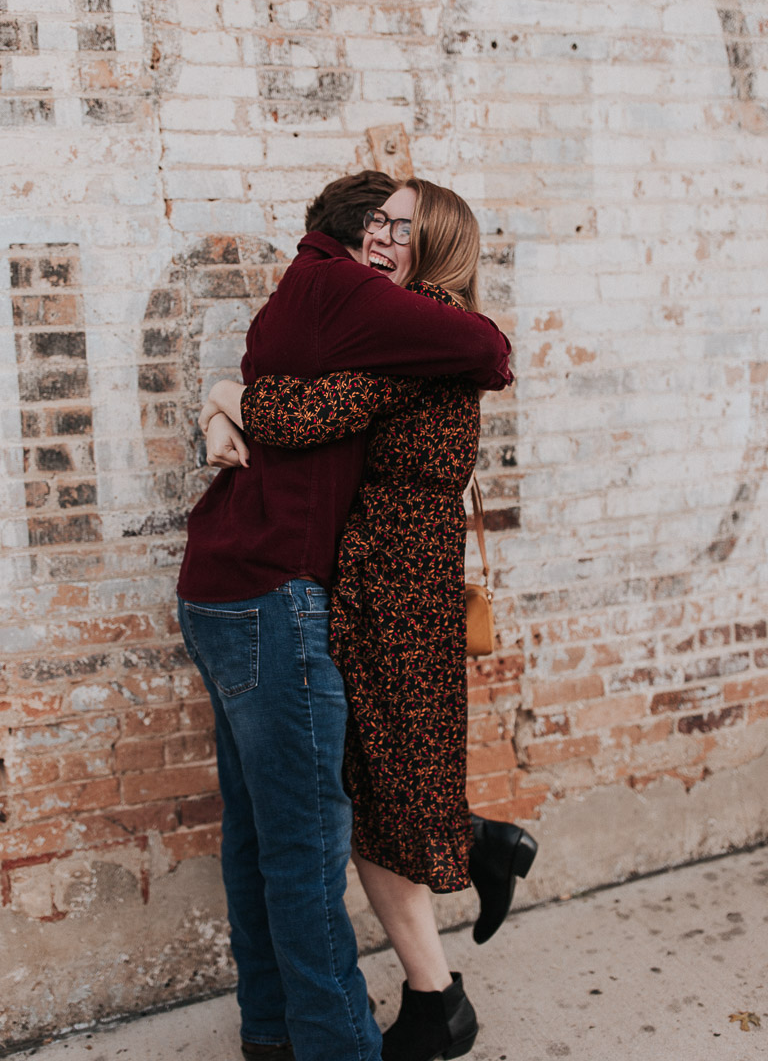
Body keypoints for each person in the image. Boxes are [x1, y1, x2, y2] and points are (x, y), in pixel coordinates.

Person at [176, 171, 514, 1061]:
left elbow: (296, 407)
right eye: (378, 224)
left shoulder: (407, 343)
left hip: (375, 597)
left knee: (321, 817)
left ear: (435, 245)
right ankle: (348, 1031)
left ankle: (313, 1027)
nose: (384, 241)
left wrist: (227, 396)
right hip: (337, 593)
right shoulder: (374, 321)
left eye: (403, 229)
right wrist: (226, 399)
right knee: (326, 822)